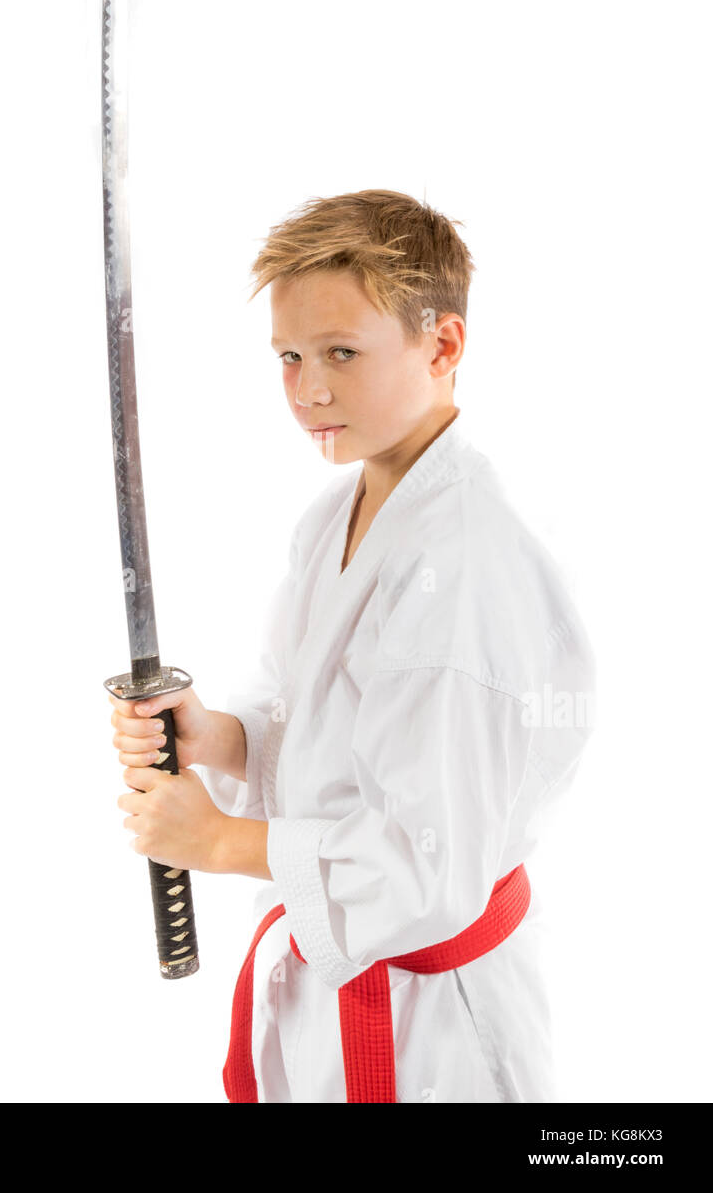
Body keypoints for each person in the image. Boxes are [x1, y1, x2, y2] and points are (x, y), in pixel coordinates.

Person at [111, 189, 596, 1103]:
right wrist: (219, 735)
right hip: (334, 987)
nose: (309, 389)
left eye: (342, 353)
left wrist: (217, 840)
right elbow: (319, 726)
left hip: (433, 1026)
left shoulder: (461, 567)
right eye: (289, 356)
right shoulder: (337, 514)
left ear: (442, 346)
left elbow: (425, 862)